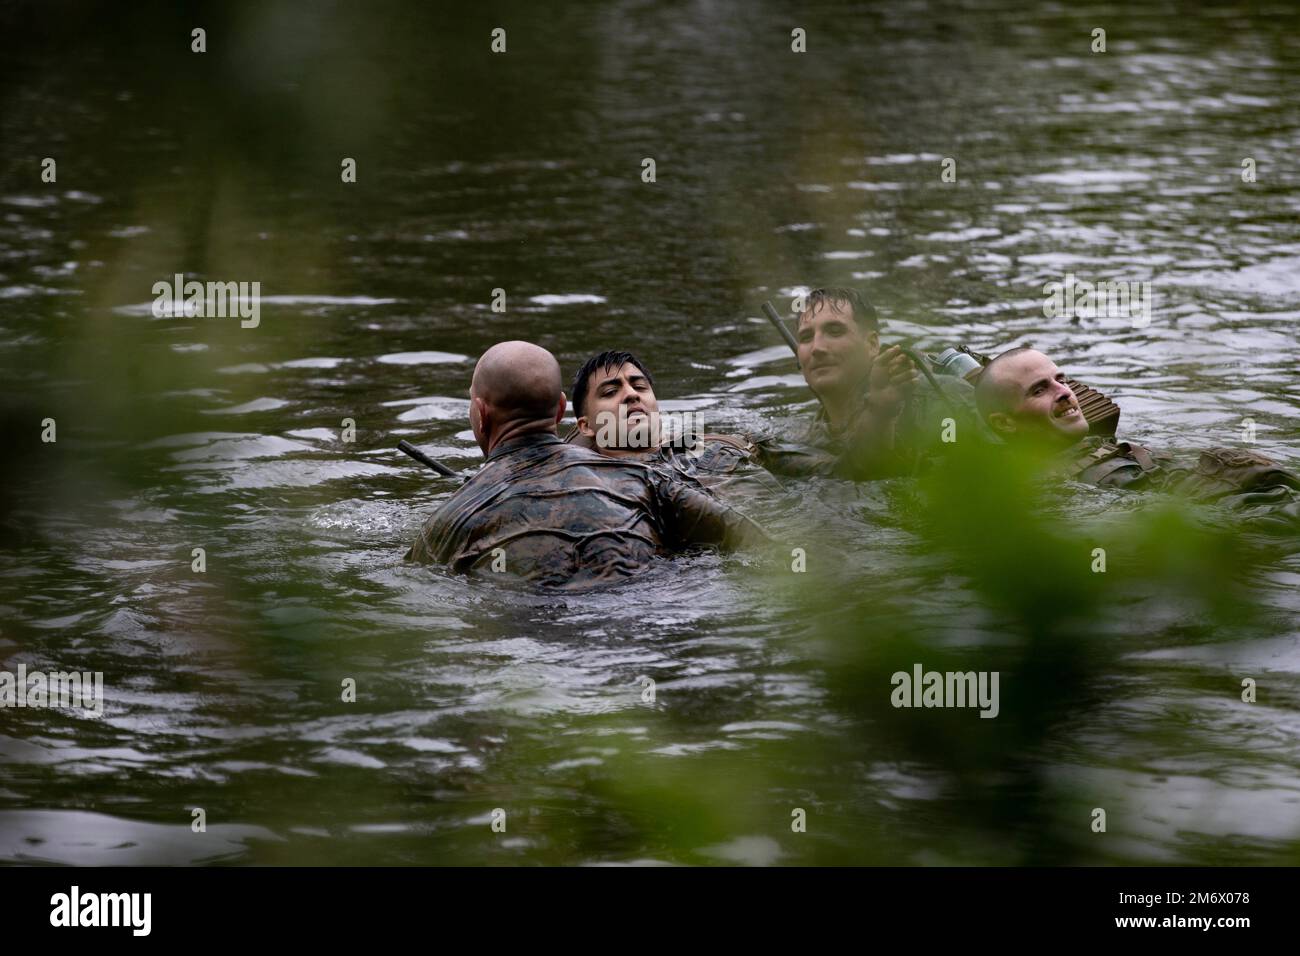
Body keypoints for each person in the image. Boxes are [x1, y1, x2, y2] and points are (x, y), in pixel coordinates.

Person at [407, 341, 768, 587]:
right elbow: (752, 541)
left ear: (481, 416)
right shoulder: (644, 478)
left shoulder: (446, 522)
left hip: (538, 640)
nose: (630, 395)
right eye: (611, 391)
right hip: (657, 606)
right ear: (563, 411)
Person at [973, 346, 1300, 529]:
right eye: (1039, 390)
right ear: (1005, 424)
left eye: (1061, 379)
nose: (1064, 393)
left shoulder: (1102, 447)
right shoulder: (1044, 491)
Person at [753, 287, 978, 479]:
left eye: (835, 331)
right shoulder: (807, 436)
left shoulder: (938, 400)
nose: (817, 348)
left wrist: (881, 409)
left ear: (872, 344)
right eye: (805, 337)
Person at [565, 349, 783, 500]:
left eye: (640, 387)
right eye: (611, 392)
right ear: (586, 426)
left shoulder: (716, 452)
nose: (631, 394)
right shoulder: (579, 486)